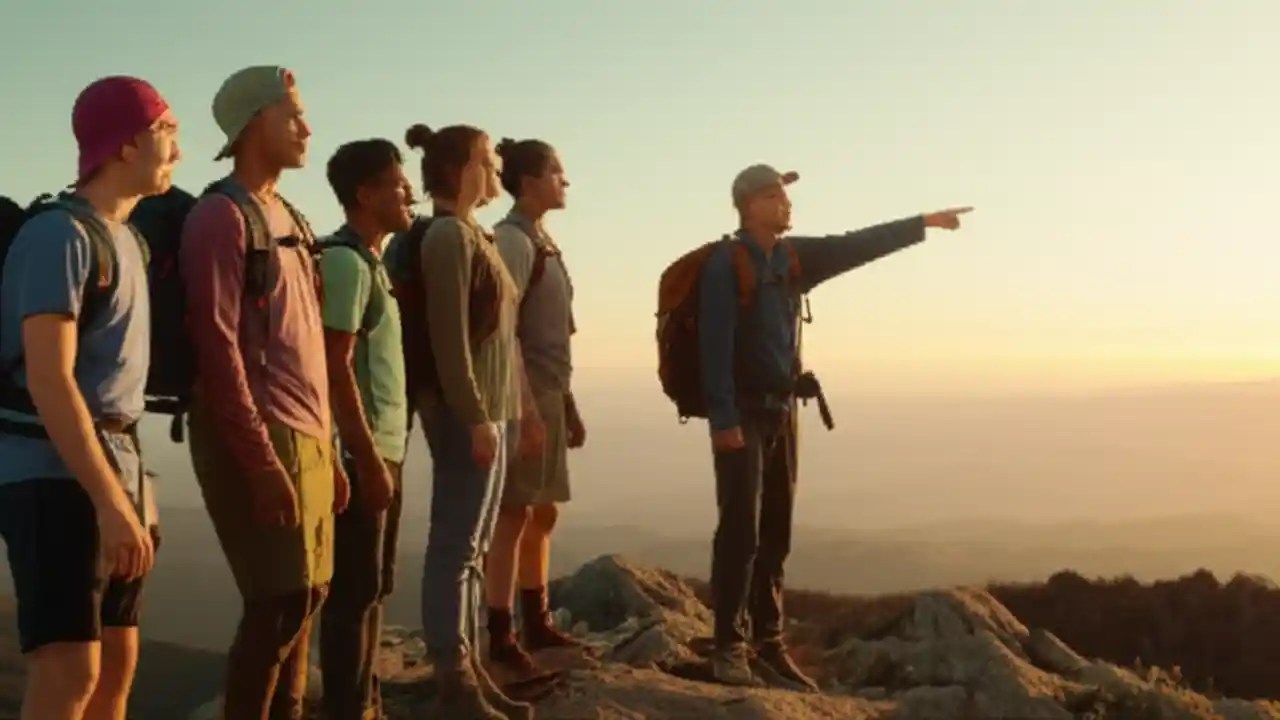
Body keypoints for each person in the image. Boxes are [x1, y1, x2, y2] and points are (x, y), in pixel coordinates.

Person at [699, 164, 973, 690]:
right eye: (775, 195)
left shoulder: (793, 256)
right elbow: (714, 346)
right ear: (749, 205)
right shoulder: (724, 265)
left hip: (783, 410)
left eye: (785, 194)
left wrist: (922, 223)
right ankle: (728, 648)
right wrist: (723, 419)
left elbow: (856, 245)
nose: (786, 202)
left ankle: (767, 642)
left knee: (775, 530)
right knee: (739, 530)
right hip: (743, 416)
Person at [0, 75, 178, 720]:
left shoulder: (129, 239)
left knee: (117, 664)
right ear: (127, 144)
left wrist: (137, 486)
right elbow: (50, 379)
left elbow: (116, 388)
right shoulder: (60, 237)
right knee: (70, 669)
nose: (177, 148)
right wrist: (110, 500)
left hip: (114, 469)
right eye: (166, 130)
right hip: (49, 475)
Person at [179, 65, 345, 720]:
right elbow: (219, 352)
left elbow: (308, 349)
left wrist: (326, 447)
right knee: (276, 602)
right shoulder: (218, 218)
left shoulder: (292, 218)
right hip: (255, 431)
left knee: (311, 594)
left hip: (304, 432)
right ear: (254, 122)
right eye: (292, 115)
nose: (307, 127)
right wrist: (260, 460)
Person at [401, 121, 541, 720]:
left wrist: (510, 413)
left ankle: (471, 670)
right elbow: (449, 339)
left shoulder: (472, 235)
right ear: (460, 169)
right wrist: (477, 417)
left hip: (493, 410)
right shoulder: (448, 240)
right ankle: (453, 681)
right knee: (456, 544)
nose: (494, 171)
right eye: (485, 160)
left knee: (475, 546)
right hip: (471, 412)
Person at [315, 138, 414, 720]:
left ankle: (366, 704)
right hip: (364, 451)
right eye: (398, 184)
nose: (410, 193)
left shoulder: (372, 262)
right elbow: (334, 366)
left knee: (375, 584)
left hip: (383, 447)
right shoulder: (347, 263)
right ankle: (348, 709)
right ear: (365, 194)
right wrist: (365, 459)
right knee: (354, 591)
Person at [484, 138, 584, 678]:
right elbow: (505, 331)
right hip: (523, 396)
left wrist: (565, 405)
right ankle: (502, 634)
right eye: (556, 172)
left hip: (547, 392)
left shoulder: (540, 240)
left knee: (542, 511)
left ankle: (536, 619)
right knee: (514, 513)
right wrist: (525, 408)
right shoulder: (514, 242)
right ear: (529, 181)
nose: (564, 181)